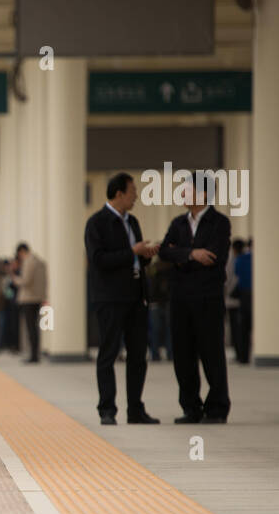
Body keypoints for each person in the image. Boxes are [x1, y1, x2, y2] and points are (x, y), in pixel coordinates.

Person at [84, 172, 160, 425]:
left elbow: (135, 257)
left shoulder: (133, 222)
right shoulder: (97, 223)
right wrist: (132, 252)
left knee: (138, 354)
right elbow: (99, 260)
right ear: (119, 194)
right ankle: (107, 409)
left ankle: (135, 409)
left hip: (136, 296)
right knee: (108, 353)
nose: (136, 195)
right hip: (110, 298)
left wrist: (146, 254)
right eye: (132, 191)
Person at [158, 181, 231, 423]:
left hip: (208, 298)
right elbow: (164, 252)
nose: (182, 193)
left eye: (187, 190)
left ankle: (217, 408)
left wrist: (181, 256)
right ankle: (191, 408)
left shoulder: (219, 223)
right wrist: (191, 254)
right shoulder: (178, 223)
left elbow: (215, 257)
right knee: (183, 354)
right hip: (180, 299)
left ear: (202, 194)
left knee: (212, 353)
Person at [12, 243, 47, 363]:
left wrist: (15, 279)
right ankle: (35, 354)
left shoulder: (28, 261)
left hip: (28, 298)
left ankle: (33, 355)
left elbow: (25, 280)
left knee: (30, 328)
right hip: (38, 298)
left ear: (22, 251)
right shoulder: (40, 261)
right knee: (35, 328)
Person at [233, 239, 252, 364]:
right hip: (256, 294)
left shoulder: (240, 259)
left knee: (243, 327)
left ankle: (243, 357)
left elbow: (236, 273)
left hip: (245, 294)